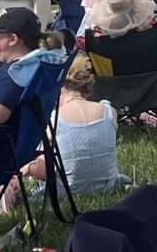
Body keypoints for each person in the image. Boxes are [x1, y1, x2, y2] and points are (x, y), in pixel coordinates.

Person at [25, 53, 120, 196]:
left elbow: (43, 172)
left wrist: (27, 168)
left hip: (66, 192)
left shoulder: (53, 121)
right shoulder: (109, 112)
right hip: (108, 187)